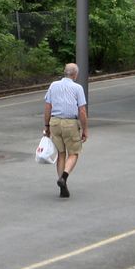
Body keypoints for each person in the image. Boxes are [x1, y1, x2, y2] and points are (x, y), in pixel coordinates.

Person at [43, 63, 88, 198]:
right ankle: (64, 177)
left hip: (55, 122)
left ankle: (62, 185)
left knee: (61, 153)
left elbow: (47, 107)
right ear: (75, 75)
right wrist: (85, 129)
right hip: (70, 123)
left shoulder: (53, 85)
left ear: (64, 72)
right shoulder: (77, 88)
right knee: (73, 153)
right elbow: (82, 110)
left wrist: (47, 126)